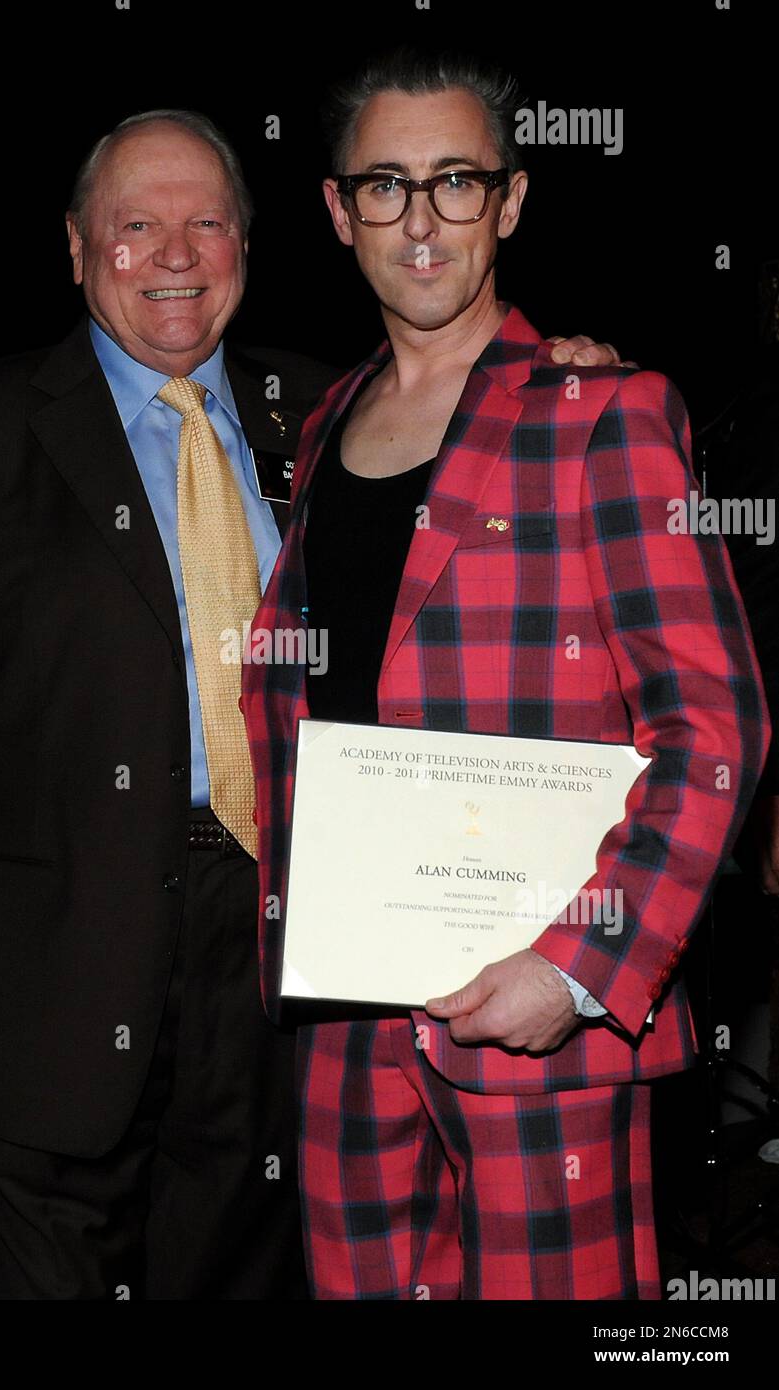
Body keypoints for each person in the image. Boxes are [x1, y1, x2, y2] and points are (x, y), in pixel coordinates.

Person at [0, 105, 617, 1300]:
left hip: (279, 954)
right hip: (45, 986)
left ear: (249, 249)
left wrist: (568, 372)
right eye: (136, 226)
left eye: (207, 224)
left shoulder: (326, 412)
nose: (175, 253)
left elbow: (481, 425)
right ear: (73, 245)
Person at [241, 51, 770, 1299]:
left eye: (456, 182)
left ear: (512, 201)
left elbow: (713, 723)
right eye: (384, 185)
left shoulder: (604, 411)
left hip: (537, 1012)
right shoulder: (322, 428)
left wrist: (582, 964)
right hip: (343, 1016)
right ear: (336, 211)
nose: (420, 221)